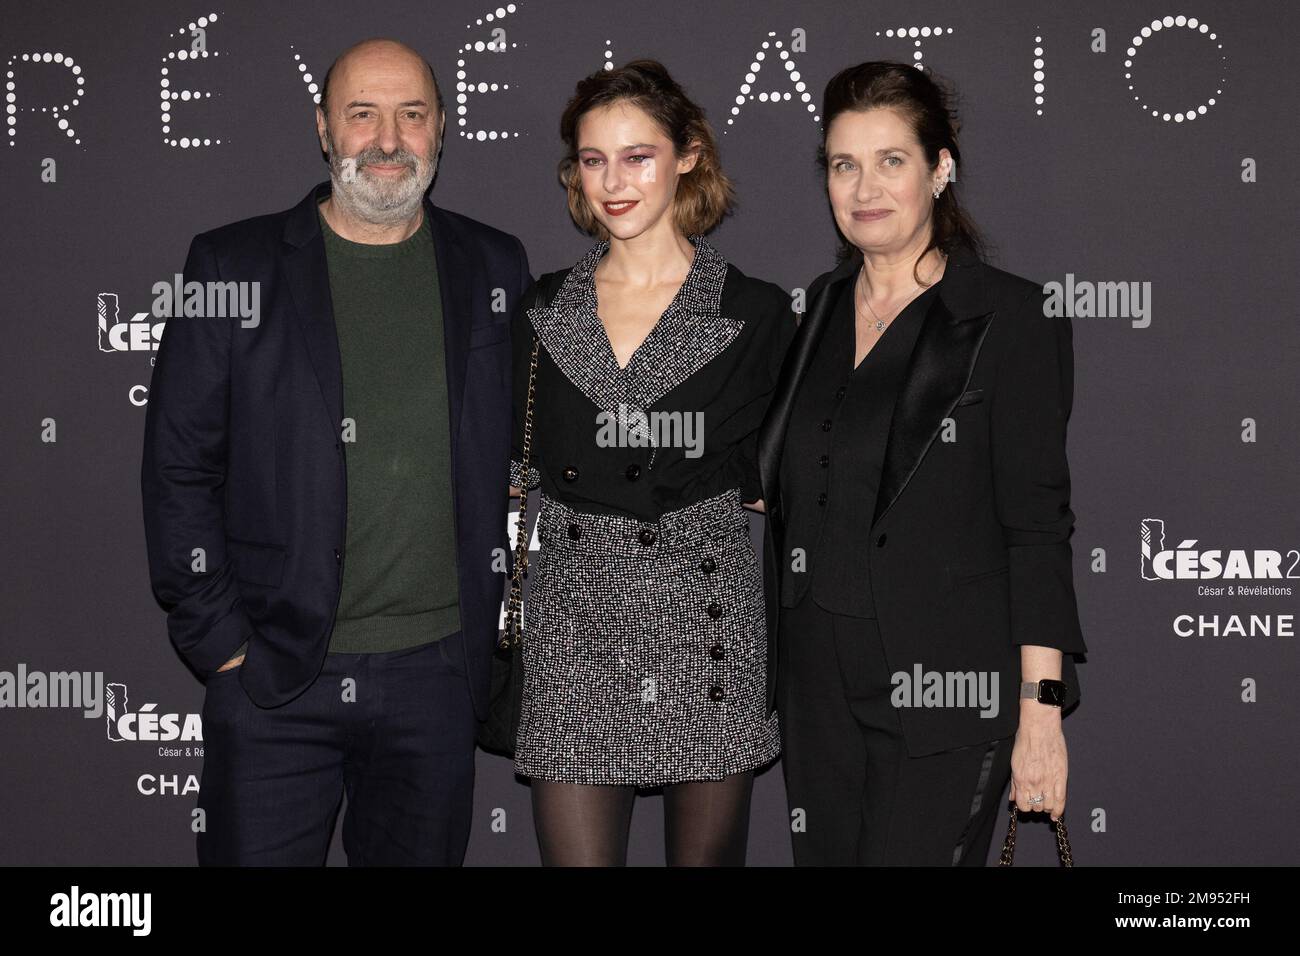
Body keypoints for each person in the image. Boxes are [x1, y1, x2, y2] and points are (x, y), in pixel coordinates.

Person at [140, 38, 531, 865]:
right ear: (324, 130)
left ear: (441, 131)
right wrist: (223, 646)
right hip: (278, 680)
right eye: (363, 114)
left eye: (412, 115)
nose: (388, 140)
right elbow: (178, 468)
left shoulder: (494, 264)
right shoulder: (230, 264)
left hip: (437, 679)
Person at [755, 61, 1088, 865]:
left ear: (940, 169)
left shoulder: (1011, 316)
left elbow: (1036, 528)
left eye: (891, 160)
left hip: (948, 693)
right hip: (817, 690)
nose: (865, 187)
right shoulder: (820, 306)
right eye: (844, 164)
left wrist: (1039, 716)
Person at [507, 59, 796, 866]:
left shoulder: (755, 311)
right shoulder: (540, 310)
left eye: (638, 156)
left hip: (702, 623)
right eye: (593, 160)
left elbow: (787, 477)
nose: (614, 181)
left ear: (688, 156)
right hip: (574, 630)